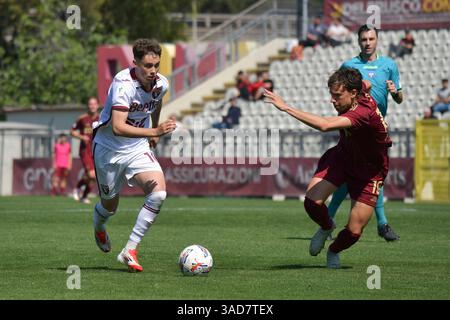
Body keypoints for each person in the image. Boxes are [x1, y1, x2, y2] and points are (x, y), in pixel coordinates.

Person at [264, 68, 392, 268]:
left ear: (353, 93)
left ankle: (334, 250)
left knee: (354, 232)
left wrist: (286, 108)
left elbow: (324, 125)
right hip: (343, 156)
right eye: (331, 94)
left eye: (337, 96)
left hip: (370, 171)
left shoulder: (362, 113)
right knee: (311, 202)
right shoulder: (360, 91)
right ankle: (326, 227)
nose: (332, 100)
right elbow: (367, 84)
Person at [91, 38, 176, 272]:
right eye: (147, 66)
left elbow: (156, 102)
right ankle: (98, 225)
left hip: (137, 147)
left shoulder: (161, 84)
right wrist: (154, 130)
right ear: (135, 62)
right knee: (110, 207)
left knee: (158, 194)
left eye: (156, 65)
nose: (153, 71)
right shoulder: (122, 84)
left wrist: (154, 132)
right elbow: (118, 126)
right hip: (109, 150)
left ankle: (129, 250)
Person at [327, 25, 403, 242]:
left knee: (370, 174)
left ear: (377, 40)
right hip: (354, 127)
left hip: (376, 129)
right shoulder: (349, 66)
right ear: (358, 41)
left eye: (371, 39)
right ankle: (382, 224)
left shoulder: (389, 65)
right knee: (362, 174)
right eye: (363, 39)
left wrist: (394, 92)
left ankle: (330, 219)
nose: (367, 43)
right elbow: (338, 95)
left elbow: (399, 98)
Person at [70, 97, 100, 204]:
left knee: (92, 176)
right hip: (85, 151)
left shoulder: (101, 118)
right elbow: (72, 131)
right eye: (90, 104)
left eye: (94, 104)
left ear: (98, 105)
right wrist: (82, 137)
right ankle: (78, 189)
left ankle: (83, 196)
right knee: (92, 175)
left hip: (97, 151)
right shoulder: (82, 119)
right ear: (88, 106)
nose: (92, 106)